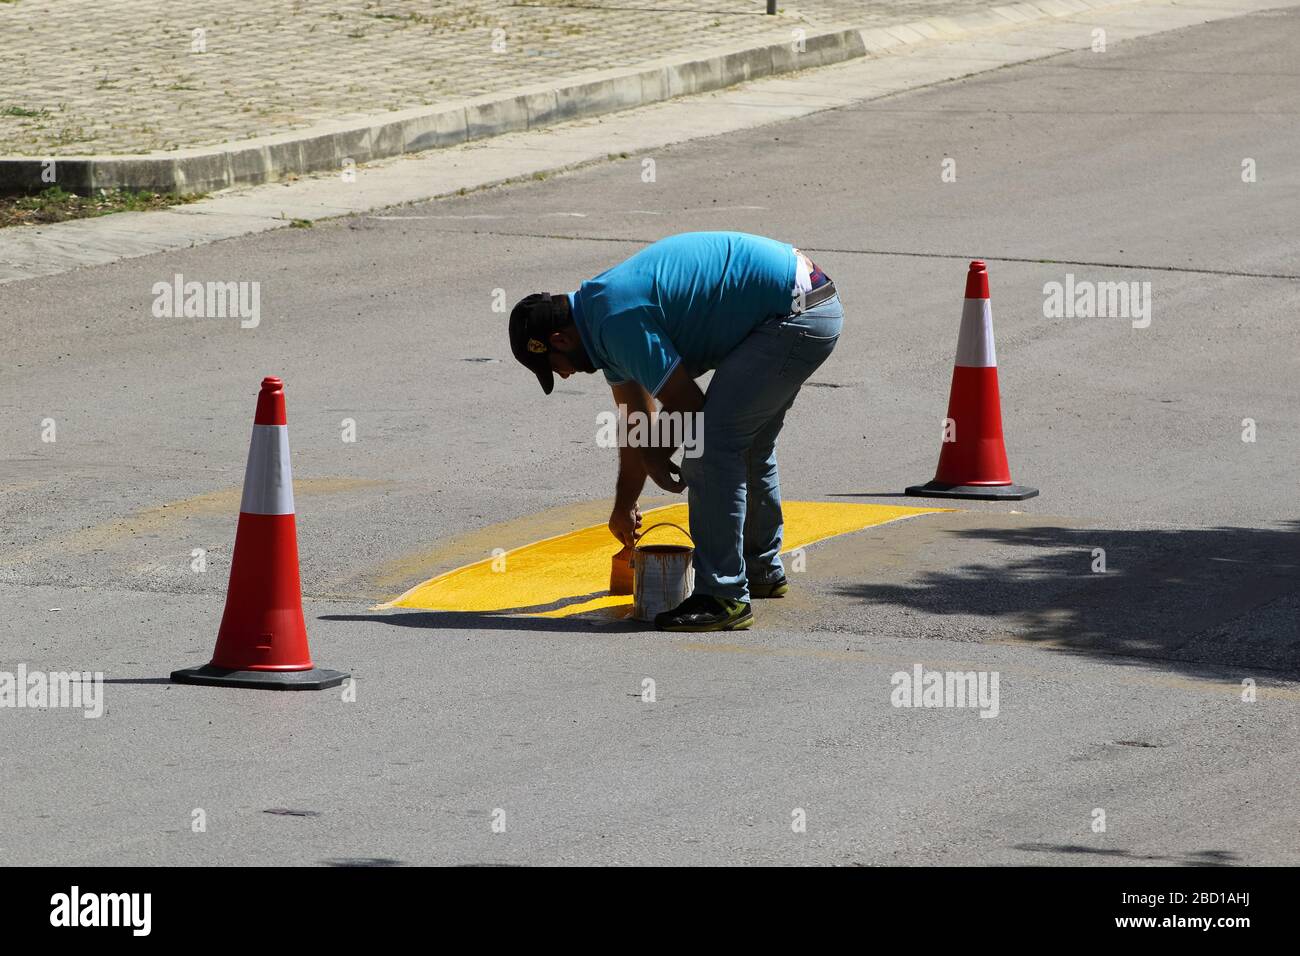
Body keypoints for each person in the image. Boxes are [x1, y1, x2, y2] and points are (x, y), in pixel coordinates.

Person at [508, 231, 842, 631]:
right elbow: (636, 420)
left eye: (554, 365)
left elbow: (688, 405)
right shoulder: (599, 317)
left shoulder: (616, 321)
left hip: (793, 316)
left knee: (711, 447)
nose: (562, 374)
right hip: (807, 302)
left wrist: (655, 455)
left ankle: (723, 595)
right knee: (746, 443)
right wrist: (624, 504)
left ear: (559, 339)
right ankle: (760, 572)